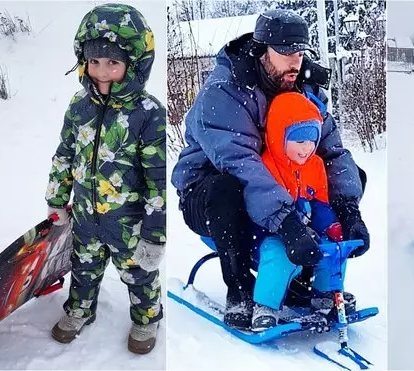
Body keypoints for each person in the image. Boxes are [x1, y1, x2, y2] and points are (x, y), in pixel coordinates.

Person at [171, 9, 370, 330]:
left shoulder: (304, 89)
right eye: (286, 53)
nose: (296, 62)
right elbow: (240, 164)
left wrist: (348, 210)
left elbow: (331, 152)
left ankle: (305, 278)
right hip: (210, 196)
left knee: (349, 176)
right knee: (226, 187)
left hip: (277, 185)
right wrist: (287, 222)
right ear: (261, 50)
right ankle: (240, 290)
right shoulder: (224, 91)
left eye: (300, 52)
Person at [45, 3, 166, 354]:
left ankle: (146, 318)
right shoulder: (78, 106)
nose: (101, 71)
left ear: (134, 63)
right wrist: (56, 199)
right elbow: (64, 154)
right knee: (83, 268)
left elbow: (157, 181)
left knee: (139, 274)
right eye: (94, 61)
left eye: (113, 62)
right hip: (85, 215)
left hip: (129, 222)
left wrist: (155, 236)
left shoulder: (149, 113)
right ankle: (80, 310)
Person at [251, 92, 346, 331]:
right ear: (279, 136)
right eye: (299, 141)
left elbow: (319, 204)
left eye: (312, 141)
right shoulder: (266, 165)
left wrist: (332, 226)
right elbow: (262, 206)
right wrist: (289, 230)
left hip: (305, 230)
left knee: (333, 250)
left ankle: (325, 294)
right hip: (267, 231)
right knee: (278, 253)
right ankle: (265, 306)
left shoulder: (315, 165)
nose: (307, 149)